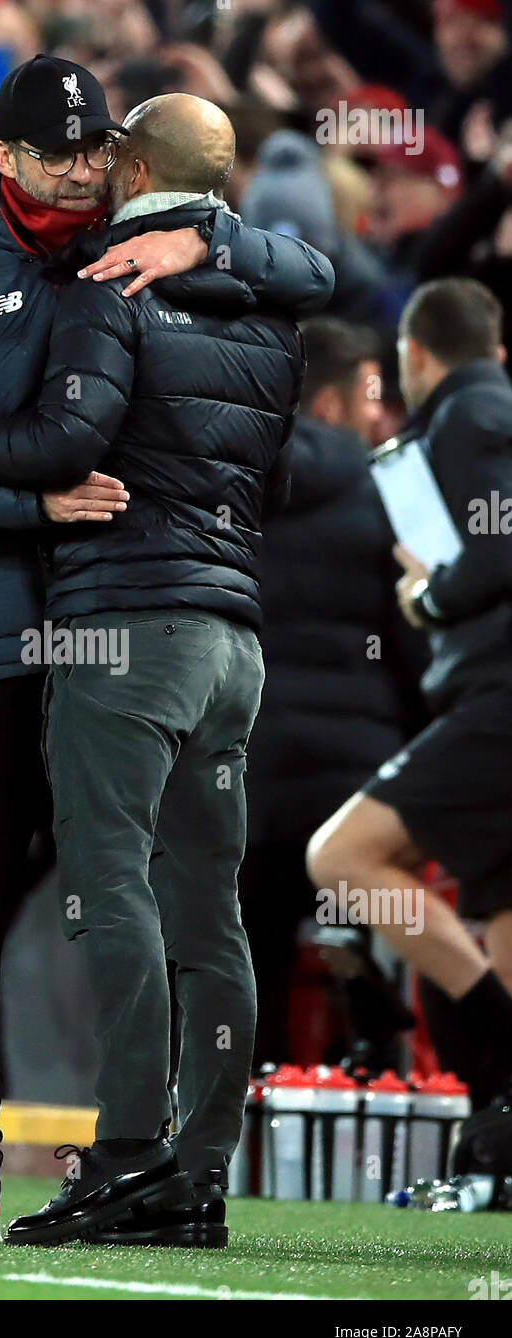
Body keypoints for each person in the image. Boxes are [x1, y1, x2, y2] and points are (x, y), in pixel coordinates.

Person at [0, 54, 335, 1244]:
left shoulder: (117, 263)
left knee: (118, 891)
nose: (82, 170)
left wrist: (203, 244)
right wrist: (29, 503)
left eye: (99, 151)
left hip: (112, 629)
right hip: (1, 624)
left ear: (127, 165)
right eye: (61, 153)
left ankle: (135, 1156)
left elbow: (58, 430)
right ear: (4, 156)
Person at [306, 279, 512, 1180]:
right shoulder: (480, 412)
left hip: (497, 701)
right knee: (499, 913)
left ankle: (502, 1062)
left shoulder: (471, 417)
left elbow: (501, 546)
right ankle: (502, 1139)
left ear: (416, 359)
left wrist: (431, 593)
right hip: (485, 695)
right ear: (493, 347)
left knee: (341, 859)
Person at [240, 317, 428, 1068]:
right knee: (381, 933)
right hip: (358, 773)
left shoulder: (228, 482)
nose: (377, 412)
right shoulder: (392, 486)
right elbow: (416, 638)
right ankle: (376, 1080)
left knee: (247, 960)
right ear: (328, 403)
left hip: (245, 762)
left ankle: (242, 1131)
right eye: (369, 393)